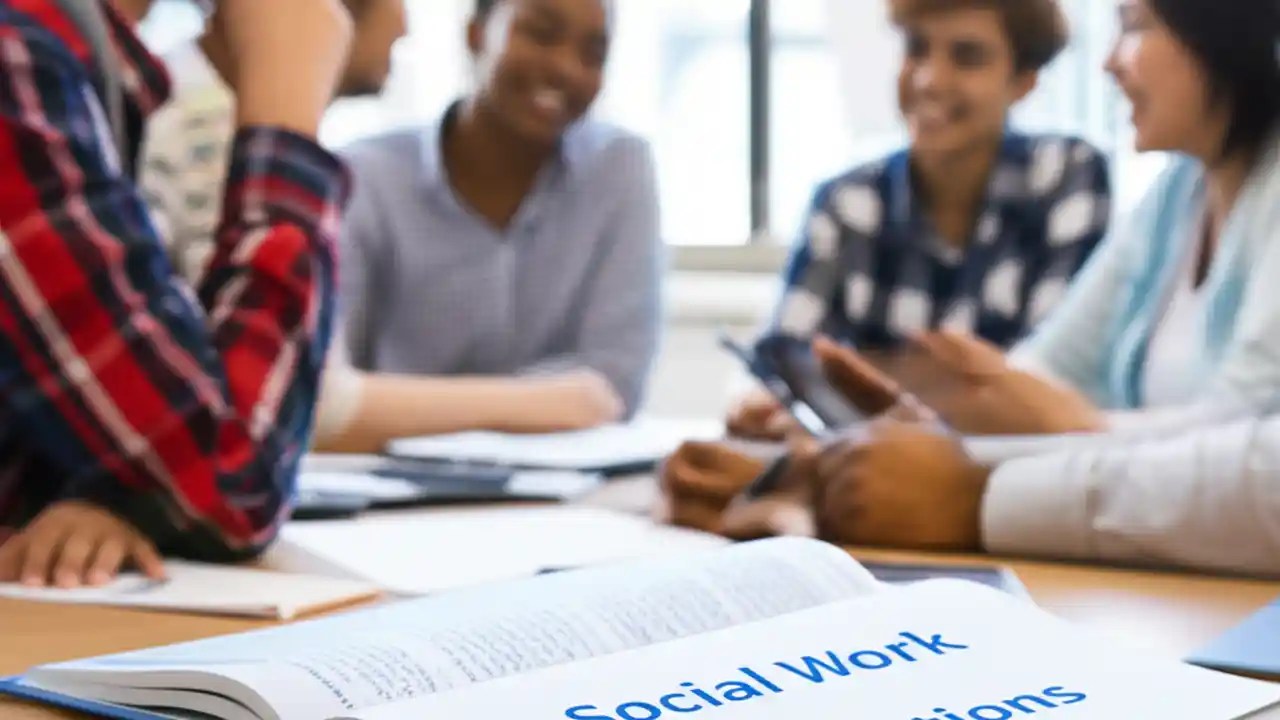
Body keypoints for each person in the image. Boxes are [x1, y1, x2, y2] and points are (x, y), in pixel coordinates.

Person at [725, 0, 1280, 577]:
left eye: (1136, 28)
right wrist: (925, 444)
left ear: (1225, 34)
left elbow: (1243, 431)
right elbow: (1036, 378)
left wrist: (1051, 435)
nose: (1109, 64)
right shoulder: (1175, 196)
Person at [0, 0, 354, 587]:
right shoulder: (14, 62)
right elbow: (228, 479)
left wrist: (119, 491)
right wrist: (288, 102)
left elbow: (150, 425)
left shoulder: (68, 64)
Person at [727, 0, 1111, 440]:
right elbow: (779, 369)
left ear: (1023, 81)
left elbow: (1042, 388)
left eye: (967, 57)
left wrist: (859, 374)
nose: (929, 79)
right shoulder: (847, 200)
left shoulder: (1067, 175)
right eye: (916, 49)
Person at [334, 0, 661, 452]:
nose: (566, 67)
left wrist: (379, 406)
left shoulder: (620, 168)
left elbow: (614, 388)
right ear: (475, 34)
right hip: (385, 494)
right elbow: (321, 401)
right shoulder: (364, 176)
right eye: (541, 34)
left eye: (593, 54)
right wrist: (562, 402)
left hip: (564, 499)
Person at [139, 0, 413, 450]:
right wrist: (567, 404)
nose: (404, 27)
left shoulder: (198, 100)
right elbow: (297, 408)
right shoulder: (205, 126)